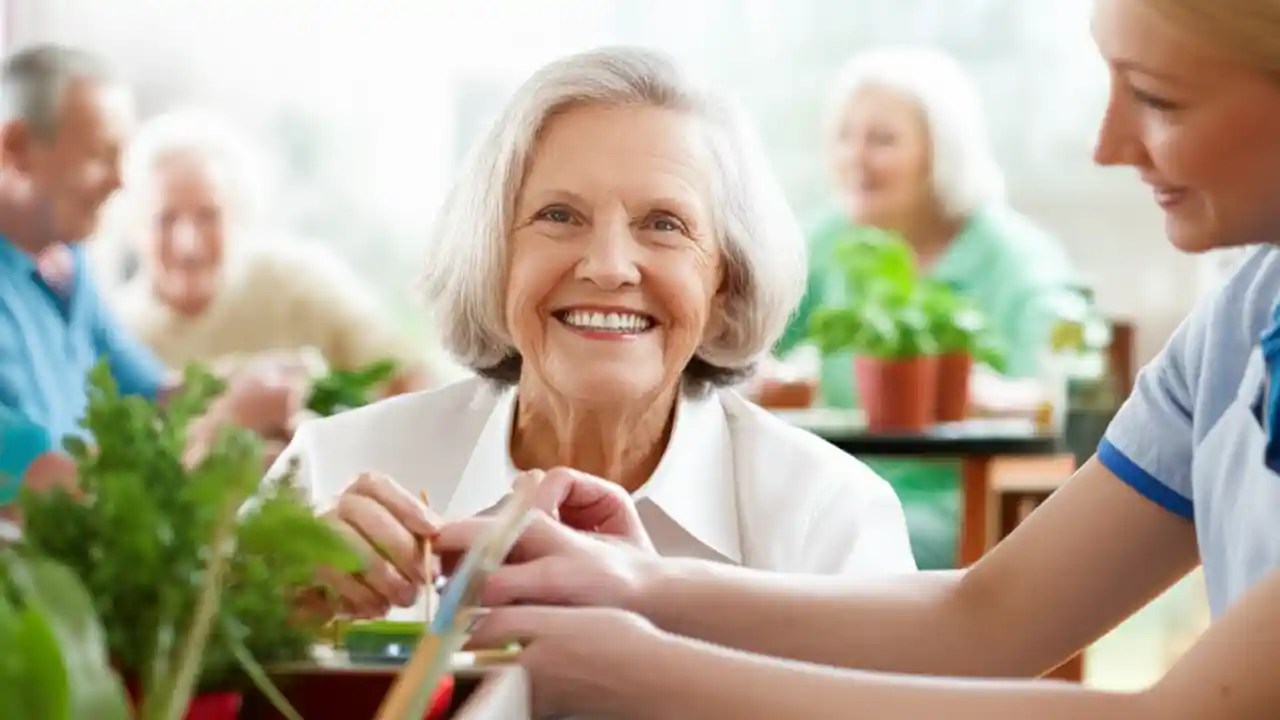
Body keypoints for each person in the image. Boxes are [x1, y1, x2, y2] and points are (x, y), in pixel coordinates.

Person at [430, 0, 1280, 716]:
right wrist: (636, 587)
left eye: (1158, 98)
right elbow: (987, 618)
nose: (1108, 144)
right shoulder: (1241, 318)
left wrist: (643, 667)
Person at [274, 46, 915, 619]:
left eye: (664, 223)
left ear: (727, 283)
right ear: (493, 259)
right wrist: (269, 615)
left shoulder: (828, 517)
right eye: (559, 215)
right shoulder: (331, 468)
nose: (608, 267)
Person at [770, 45, 1088, 570]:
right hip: (832, 488)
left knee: (834, 553)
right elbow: (744, 336)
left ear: (942, 151)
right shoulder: (829, 240)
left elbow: (1066, 385)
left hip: (967, 504)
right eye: (844, 136)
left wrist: (1003, 396)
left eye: (882, 139)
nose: (856, 156)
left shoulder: (1012, 257)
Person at [0, 45, 303, 498]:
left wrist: (246, 381)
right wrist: (225, 422)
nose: (121, 181)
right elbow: (57, 495)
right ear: (19, 148)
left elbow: (153, 393)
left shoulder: (68, 262)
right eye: (101, 155)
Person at [108, 108, 434, 395]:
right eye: (165, 219)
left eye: (209, 216)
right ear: (134, 226)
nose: (188, 245)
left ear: (238, 215)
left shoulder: (295, 281)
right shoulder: (116, 333)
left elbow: (406, 373)